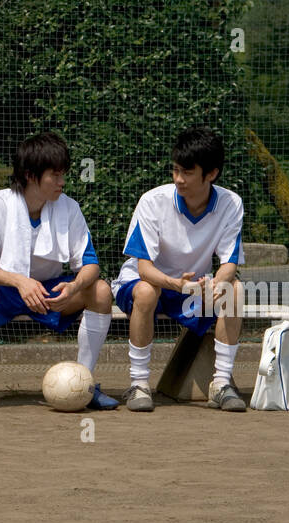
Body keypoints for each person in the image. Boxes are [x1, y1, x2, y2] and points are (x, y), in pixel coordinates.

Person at [0, 131, 118, 414]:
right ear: (30, 175)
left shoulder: (70, 208)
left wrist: (73, 288)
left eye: (64, 175)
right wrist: (19, 282)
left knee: (100, 290)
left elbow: (91, 266)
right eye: (55, 175)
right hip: (5, 290)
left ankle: (84, 386)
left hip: (52, 293)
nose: (63, 182)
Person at [111, 125, 246, 412]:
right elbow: (144, 268)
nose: (178, 179)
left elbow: (229, 264)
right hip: (146, 283)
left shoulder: (231, 203)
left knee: (235, 289)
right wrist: (176, 284)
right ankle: (138, 384)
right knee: (147, 291)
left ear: (211, 174)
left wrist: (213, 285)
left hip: (192, 287)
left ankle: (221, 385)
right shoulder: (152, 201)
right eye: (175, 170)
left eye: (187, 172)